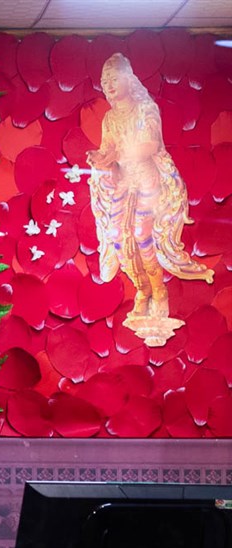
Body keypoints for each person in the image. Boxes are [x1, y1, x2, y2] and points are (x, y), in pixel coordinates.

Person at [87, 53, 213, 345]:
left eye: (113, 79)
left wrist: (114, 155)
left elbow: (148, 146)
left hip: (146, 181)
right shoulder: (108, 119)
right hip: (122, 184)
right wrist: (102, 160)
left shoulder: (146, 109)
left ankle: (159, 291)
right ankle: (141, 287)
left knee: (143, 239)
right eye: (104, 82)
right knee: (119, 239)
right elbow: (110, 155)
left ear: (129, 80)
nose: (108, 86)